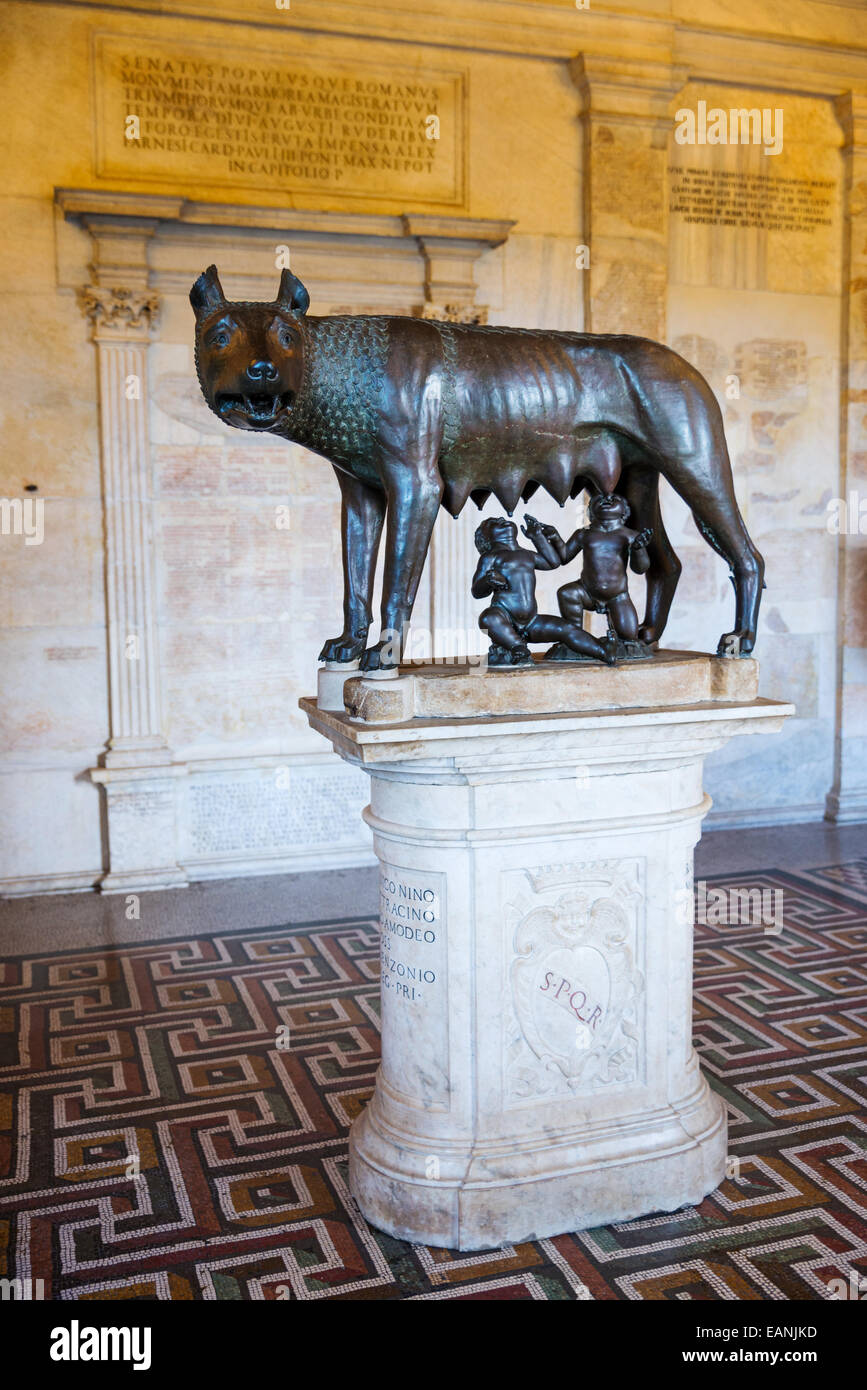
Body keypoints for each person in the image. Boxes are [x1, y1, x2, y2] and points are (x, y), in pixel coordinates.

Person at [471, 516, 616, 666]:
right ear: (486, 538)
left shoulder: (527, 554)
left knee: (566, 628)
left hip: (532, 621)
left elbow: (552, 562)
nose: (501, 518)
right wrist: (488, 580)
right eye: (492, 523)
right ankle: (518, 648)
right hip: (504, 615)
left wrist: (537, 536)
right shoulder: (490, 557)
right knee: (488, 618)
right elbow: (476, 591)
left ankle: (604, 652)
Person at [528, 494, 652, 644]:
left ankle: (616, 636)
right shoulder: (584, 534)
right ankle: (574, 637)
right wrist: (554, 536)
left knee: (629, 636)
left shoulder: (631, 536)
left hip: (618, 595)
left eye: (614, 499)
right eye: (599, 499)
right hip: (586, 591)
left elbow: (640, 569)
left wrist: (639, 549)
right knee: (567, 593)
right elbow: (565, 557)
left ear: (624, 511)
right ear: (590, 510)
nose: (606, 500)